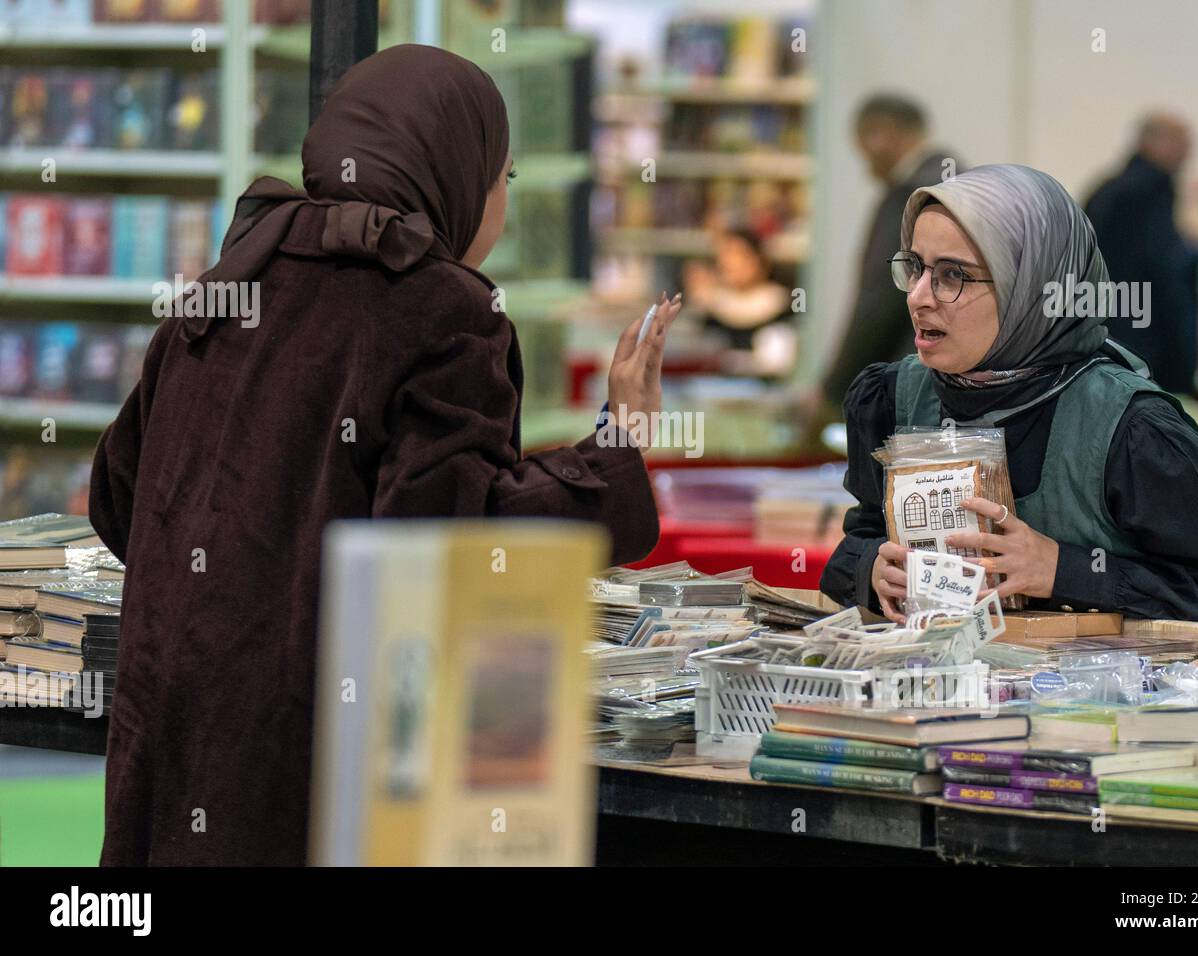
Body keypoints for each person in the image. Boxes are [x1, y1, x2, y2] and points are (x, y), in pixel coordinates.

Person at [88, 45, 678, 866]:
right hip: (321, 767)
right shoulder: (441, 310)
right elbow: (446, 550)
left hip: (171, 744)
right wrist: (616, 455)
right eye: (503, 178)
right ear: (455, 169)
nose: (503, 201)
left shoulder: (229, 281)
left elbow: (119, 495)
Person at [819, 164, 1198, 625]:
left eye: (952, 275)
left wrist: (1063, 571)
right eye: (916, 267)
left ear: (1032, 287)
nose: (919, 296)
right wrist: (872, 571)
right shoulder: (890, 398)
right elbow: (857, 544)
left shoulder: (1132, 429)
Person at [821, 95, 958, 404]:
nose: (864, 163)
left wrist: (833, 391)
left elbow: (877, 303)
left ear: (884, 132)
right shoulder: (962, 180)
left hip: (914, 379)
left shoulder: (909, 196)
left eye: (862, 145)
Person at [1084, 113, 1198, 395]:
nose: (1188, 153)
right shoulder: (1151, 189)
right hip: (1146, 339)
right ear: (1156, 142)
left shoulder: (1107, 189)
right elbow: (1163, 271)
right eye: (1183, 142)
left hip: (1105, 332)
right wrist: (1184, 354)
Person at [684, 228, 796, 378]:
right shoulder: (711, 307)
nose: (732, 264)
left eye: (740, 255)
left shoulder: (782, 304)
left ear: (760, 260)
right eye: (726, 255)